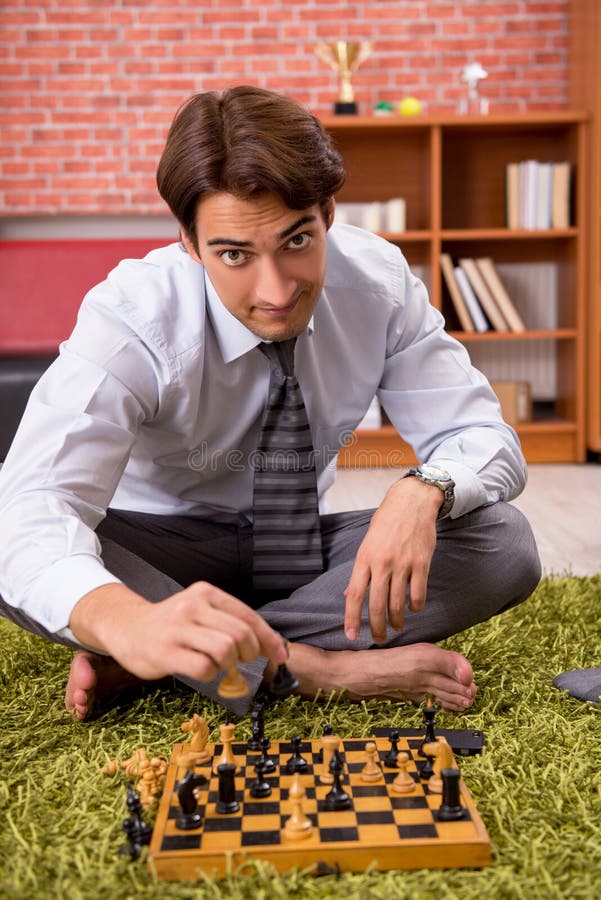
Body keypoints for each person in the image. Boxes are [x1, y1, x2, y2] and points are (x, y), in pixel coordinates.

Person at [0, 86, 541, 721]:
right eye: (234, 254)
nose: (275, 291)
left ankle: (204, 662)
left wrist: (422, 490)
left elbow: (483, 435)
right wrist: (127, 622)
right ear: (188, 242)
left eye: (295, 241)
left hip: (300, 558)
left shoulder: (379, 282)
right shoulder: (132, 317)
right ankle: (309, 668)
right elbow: (35, 504)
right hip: (158, 553)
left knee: (502, 541)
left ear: (328, 214)